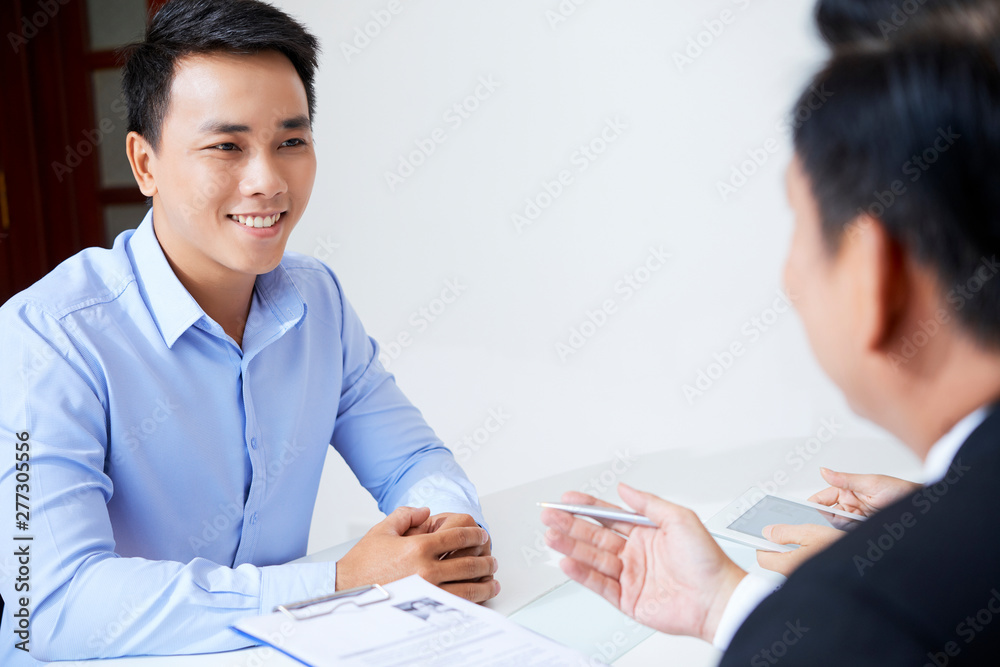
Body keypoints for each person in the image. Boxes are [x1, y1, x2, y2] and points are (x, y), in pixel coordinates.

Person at [0, 1, 497, 664]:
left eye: (291, 142)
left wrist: (446, 539)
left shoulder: (317, 301)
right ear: (145, 164)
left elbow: (412, 462)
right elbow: (52, 605)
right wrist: (337, 584)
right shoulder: (48, 337)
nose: (267, 181)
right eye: (226, 146)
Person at [543, 6, 1000, 664]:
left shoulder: (857, 620)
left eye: (802, 226)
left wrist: (856, 585)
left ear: (875, 275)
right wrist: (724, 602)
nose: (790, 277)